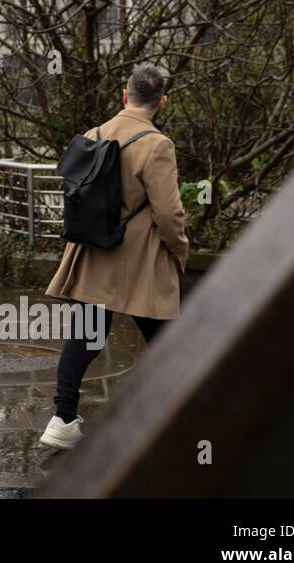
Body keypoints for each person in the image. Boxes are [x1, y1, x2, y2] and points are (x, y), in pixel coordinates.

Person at [40, 63, 189, 450]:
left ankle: (62, 418)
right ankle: (179, 414)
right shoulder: (157, 145)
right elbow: (169, 213)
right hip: (141, 260)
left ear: (125, 95)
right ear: (162, 101)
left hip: (93, 253)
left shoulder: (94, 134)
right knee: (168, 340)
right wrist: (180, 250)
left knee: (85, 337)